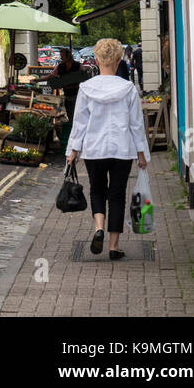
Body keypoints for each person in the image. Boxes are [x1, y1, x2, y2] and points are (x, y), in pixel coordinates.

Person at [66, 38, 150, 261]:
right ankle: (113, 246)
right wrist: (142, 154)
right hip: (122, 149)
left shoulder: (86, 88)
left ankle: (98, 229)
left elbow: (80, 123)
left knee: (97, 191)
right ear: (119, 59)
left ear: (96, 59)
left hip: (94, 149)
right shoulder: (128, 88)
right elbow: (136, 124)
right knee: (117, 195)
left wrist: (73, 151)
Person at [52, 49, 86, 125]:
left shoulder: (78, 65)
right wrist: (39, 80)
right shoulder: (60, 66)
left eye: (62, 56)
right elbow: (52, 75)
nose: (61, 58)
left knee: (77, 114)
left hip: (77, 95)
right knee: (70, 114)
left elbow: (85, 76)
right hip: (67, 95)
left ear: (68, 56)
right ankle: (71, 128)